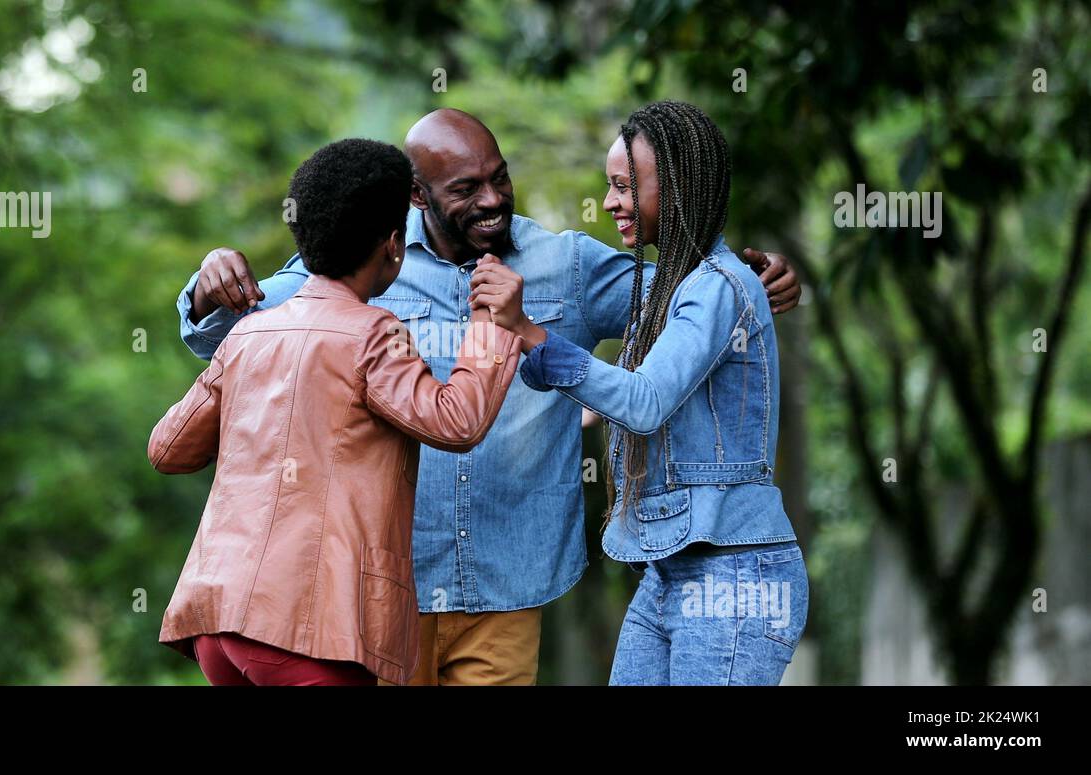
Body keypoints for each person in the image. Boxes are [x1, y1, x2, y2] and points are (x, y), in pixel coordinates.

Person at [173, 109, 802, 685]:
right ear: (417, 196)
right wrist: (208, 287)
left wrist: (753, 276)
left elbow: (682, 294)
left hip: (512, 582)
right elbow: (243, 332)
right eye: (466, 190)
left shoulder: (568, 266)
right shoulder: (366, 258)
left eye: (500, 178)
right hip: (389, 588)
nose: (493, 199)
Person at [147, 138, 522, 686]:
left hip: (220, 625)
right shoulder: (375, 334)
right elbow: (455, 420)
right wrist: (492, 322)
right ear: (393, 245)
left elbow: (167, 449)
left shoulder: (249, 333)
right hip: (309, 632)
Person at [488, 101, 808, 684]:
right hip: (670, 569)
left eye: (624, 187)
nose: (610, 203)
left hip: (733, 573)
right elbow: (622, 397)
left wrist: (532, 333)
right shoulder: (668, 291)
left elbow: (643, 402)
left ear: (679, 187)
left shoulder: (716, 288)